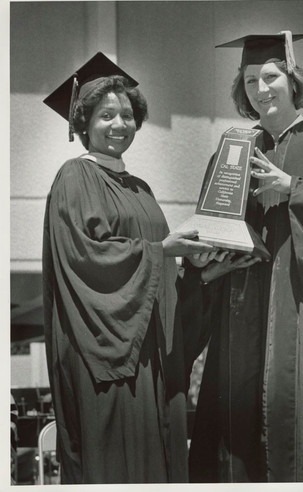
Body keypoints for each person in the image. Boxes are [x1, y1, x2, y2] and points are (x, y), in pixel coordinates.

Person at [182, 32, 303, 482]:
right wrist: (206, 259)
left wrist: (294, 189)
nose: (261, 88)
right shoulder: (232, 151)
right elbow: (209, 231)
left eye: (270, 76)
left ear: (293, 80)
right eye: (250, 80)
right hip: (242, 323)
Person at [42, 52, 213, 484]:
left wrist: (195, 265)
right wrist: (160, 251)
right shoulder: (74, 177)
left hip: (152, 351)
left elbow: (162, 265)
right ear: (83, 124)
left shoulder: (140, 188)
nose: (119, 124)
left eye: (127, 114)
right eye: (106, 115)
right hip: (108, 351)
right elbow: (86, 257)